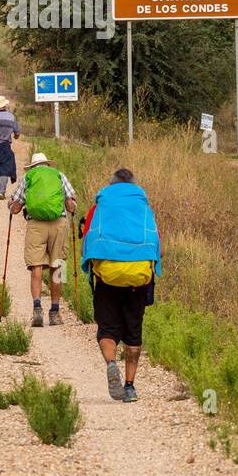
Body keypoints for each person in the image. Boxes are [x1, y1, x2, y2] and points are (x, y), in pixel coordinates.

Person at [81, 169, 161, 404]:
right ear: (134, 186)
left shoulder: (100, 207)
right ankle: (129, 387)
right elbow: (157, 245)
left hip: (107, 277)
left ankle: (111, 363)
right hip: (137, 279)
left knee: (107, 328)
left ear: (112, 185)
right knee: (133, 333)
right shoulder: (143, 208)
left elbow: (88, 240)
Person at [9, 153, 77, 328]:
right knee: (58, 265)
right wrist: (71, 207)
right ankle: (55, 312)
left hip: (36, 225)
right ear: (47, 164)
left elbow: (15, 208)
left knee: (36, 266)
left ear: (32, 167)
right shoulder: (59, 175)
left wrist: (10, 205)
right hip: (59, 224)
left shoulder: (28, 178)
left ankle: (37, 308)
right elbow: (71, 205)